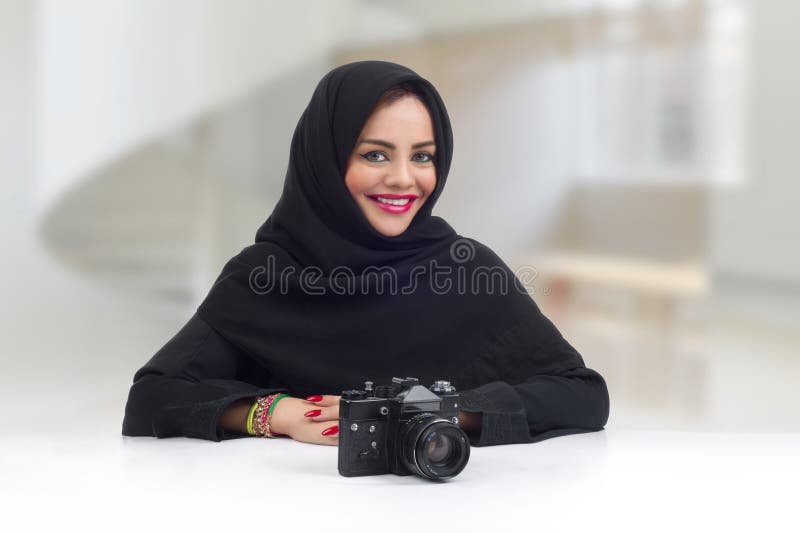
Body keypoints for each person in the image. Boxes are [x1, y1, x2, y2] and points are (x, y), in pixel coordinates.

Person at [121, 60, 609, 447]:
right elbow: (154, 395)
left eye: (422, 156)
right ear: (326, 162)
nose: (403, 179)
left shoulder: (465, 270)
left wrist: (439, 410)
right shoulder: (263, 276)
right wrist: (279, 414)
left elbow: (582, 395)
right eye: (375, 154)